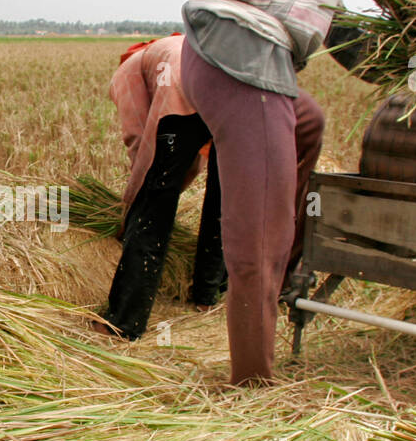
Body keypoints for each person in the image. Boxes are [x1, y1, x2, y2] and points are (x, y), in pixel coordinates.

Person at [180, 0, 416, 384]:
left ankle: (288, 262)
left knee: (307, 123)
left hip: (217, 52)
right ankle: (253, 386)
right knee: (257, 244)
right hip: (244, 54)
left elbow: (341, 33)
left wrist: (412, 61)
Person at [97, 34, 325, 340]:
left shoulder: (127, 73)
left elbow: (142, 143)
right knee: (224, 196)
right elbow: (190, 160)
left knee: (153, 207)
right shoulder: (189, 45)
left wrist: (132, 206)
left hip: (188, 87)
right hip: (237, 90)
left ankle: (122, 323)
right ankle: (206, 296)